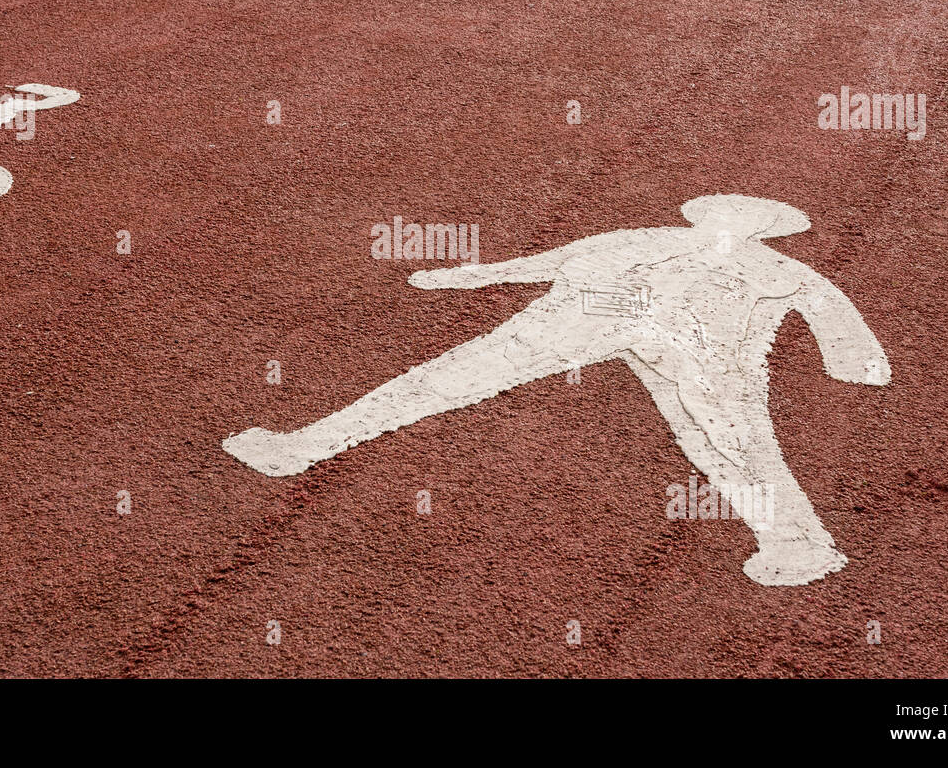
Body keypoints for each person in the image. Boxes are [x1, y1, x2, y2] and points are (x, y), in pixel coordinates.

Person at [224, 194, 890, 585]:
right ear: (704, 216)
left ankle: (796, 543)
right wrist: (471, 277)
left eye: (741, 217)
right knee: (446, 377)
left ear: (758, 230)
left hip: (704, 345)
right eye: (721, 210)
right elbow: (550, 262)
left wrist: (855, 363)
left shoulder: (781, 271)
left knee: (730, 439)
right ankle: (301, 447)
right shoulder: (637, 237)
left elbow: (839, 321)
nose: (727, 221)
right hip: (582, 316)